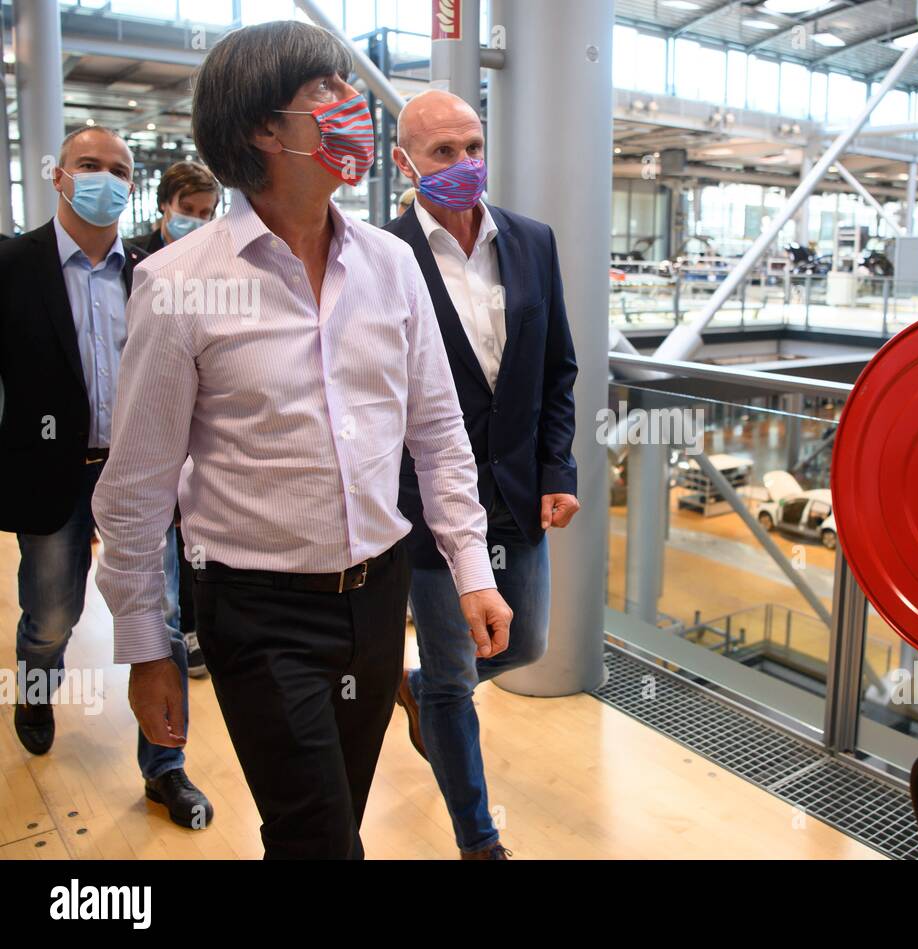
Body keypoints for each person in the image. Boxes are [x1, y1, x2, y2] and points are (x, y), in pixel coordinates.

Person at [91, 20, 511, 859]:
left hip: (378, 596)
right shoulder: (180, 284)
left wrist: (471, 566)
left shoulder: (391, 267)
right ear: (261, 128)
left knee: (327, 822)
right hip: (258, 607)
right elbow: (137, 485)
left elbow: (436, 429)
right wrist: (146, 648)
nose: (352, 106)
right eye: (325, 91)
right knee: (320, 839)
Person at [386, 90, 579, 861]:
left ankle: (424, 685)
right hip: (433, 502)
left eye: (473, 146)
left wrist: (557, 467)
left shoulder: (532, 242)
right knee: (453, 678)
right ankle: (478, 837)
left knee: (523, 644)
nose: (466, 165)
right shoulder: (382, 254)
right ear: (405, 164)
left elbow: (558, 368)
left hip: (520, 494)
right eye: (443, 153)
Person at [0, 126, 211, 829]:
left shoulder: (155, 271)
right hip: (50, 472)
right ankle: (35, 685)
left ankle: (166, 766)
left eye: (119, 170)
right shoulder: (14, 265)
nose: (107, 180)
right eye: (90, 165)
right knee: (52, 612)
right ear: (59, 175)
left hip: (141, 476)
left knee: (163, 620)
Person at [132, 159, 223, 680]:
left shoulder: (215, 267)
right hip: (156, 416)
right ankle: (158, 642)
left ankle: (192, 628)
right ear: (166, 205)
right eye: (188, 211)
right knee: (160, 540)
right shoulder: (141, 264)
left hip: (200, 424)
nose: (196, 219)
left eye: (207, 213)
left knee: (194, 535)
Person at [133, 160, 221, 254]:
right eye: (187, 208)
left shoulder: (220, 256)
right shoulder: (133, 254)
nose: (195, 219)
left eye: (204, 212)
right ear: (164, 203)